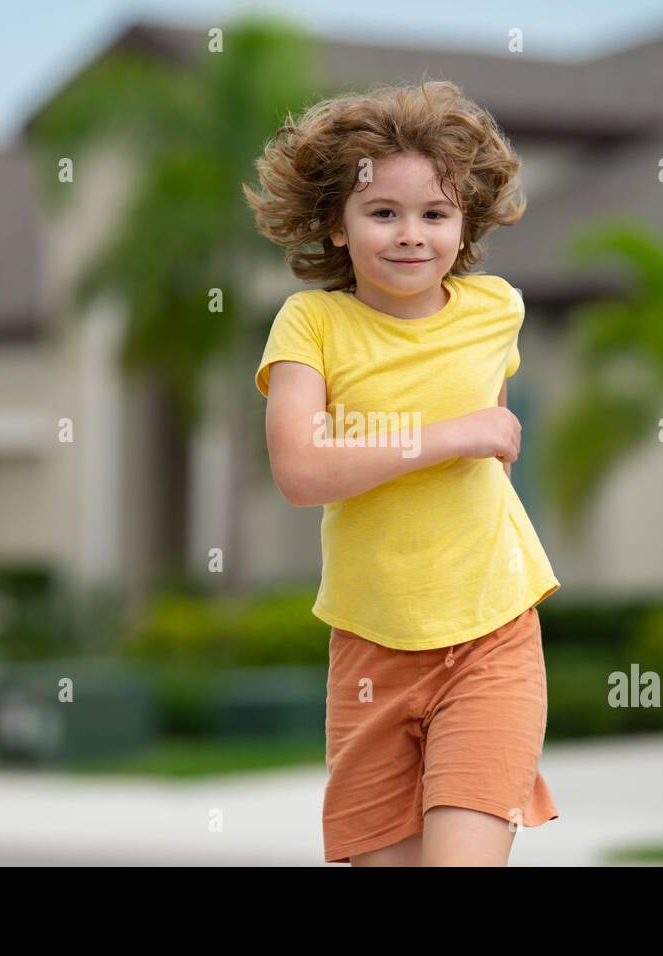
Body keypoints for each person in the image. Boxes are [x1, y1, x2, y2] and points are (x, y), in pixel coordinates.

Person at [245, 79, 561, 866]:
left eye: (435, 214)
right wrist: (452, 434)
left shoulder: (497, 312)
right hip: (371, 650)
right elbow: (300, 469)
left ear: (466, 222)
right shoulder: (311, 322)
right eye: (382, 212)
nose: (410, 235)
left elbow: (492, 452)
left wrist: (469, 438)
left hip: (493, 633)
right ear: (336, 223)